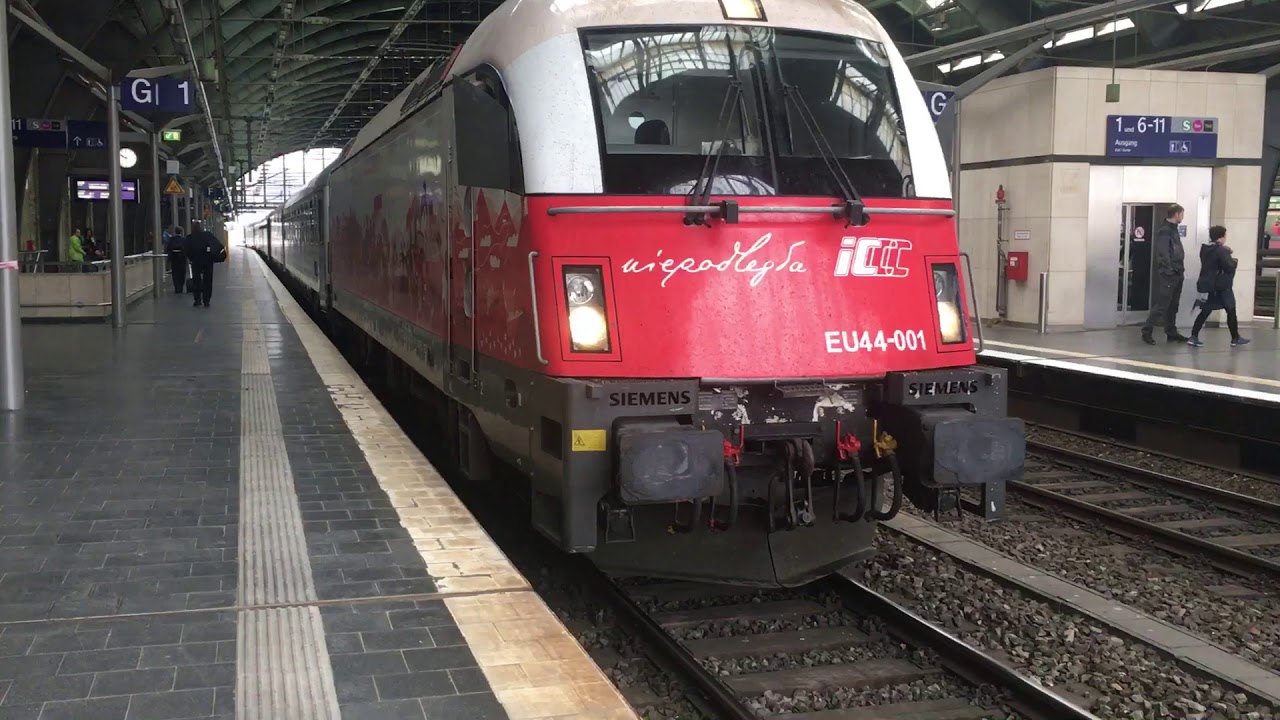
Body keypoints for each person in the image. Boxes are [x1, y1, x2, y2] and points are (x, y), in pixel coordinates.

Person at [1188, 225, 1249, 348]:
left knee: (1205, 311)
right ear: (1222, 236)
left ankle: (1193, 336)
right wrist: (1234, 261)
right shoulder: (1222, 250)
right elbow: (1229, 266)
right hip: (1222, 286)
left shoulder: (1205, 249)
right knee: (1231, 310)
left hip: (1209, 285)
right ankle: (1235, 338)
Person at [1141, 204, 1190, 345]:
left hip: (1178, 271)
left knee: (1174, 304)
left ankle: (1171, 331)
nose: (1183, 217)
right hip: (1170, 274)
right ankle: (1147, 331)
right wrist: (1169, 269)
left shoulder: (1173, 230)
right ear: (1176, 214)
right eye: (1182, 214)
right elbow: (1162, 252)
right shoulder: (1165, 231)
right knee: (1162, 304)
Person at [183, 221, 225, 308]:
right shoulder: (207, 235)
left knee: (196, 281)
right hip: (208, 261)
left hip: (196, 262)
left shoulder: (190, 238)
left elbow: (186, 250)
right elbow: (216, 245)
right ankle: (206, 300)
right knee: (208, 281)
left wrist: (191, 258)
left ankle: (197, 300)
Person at [165, 225, 187, 294]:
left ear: (175, 231)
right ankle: (180, 286)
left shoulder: (172, 239)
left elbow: (168, 249)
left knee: (175, 273)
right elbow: (186, 249)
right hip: (182, 259)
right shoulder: (184, 240)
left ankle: (176, 287)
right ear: (181, 232)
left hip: (174, 259)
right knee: (182, 273)